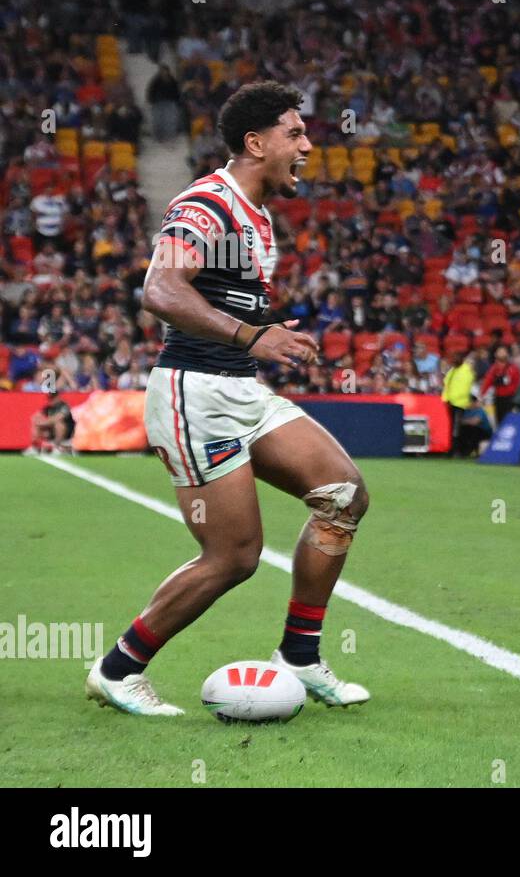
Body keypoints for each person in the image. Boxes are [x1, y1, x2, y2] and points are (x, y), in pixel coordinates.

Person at [86, 82, 370, 715]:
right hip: (195, 393)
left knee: (343, 494)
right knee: (234, 556)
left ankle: (299, 655)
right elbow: (160, 290)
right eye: (294, 134)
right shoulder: (207, 204)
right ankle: (118, 668)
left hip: (240, 388)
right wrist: (252, 336)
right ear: (256, 142)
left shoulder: (257, 214)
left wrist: (271, 341)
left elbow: (224, 303)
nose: (306, 146)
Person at [481, 344, 520, 421]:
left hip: (510, 399)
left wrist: (515, 395)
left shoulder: (514, 368)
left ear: (507, 354)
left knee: (509, 421)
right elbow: (487, 381)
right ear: (496, 354)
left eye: (503, 352)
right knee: (499, 420)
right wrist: (482, 395)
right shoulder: (493, 369)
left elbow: (518, 383)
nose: (501, 353)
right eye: (499, 352)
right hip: (498, 398)